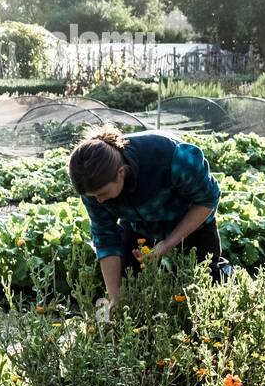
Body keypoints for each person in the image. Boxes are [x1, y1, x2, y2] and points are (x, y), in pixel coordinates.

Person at [68, 125, 224, 310]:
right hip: (139, 226)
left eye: (102, 193)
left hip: (192, 221)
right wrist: (115, 300)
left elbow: (207, 199)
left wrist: (167, 244)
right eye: (93, 196)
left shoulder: (171, 158)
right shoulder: (93, 187)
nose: (99, 201)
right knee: (133, 291)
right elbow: (105, 238)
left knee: (205, 287)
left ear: (121, 173)